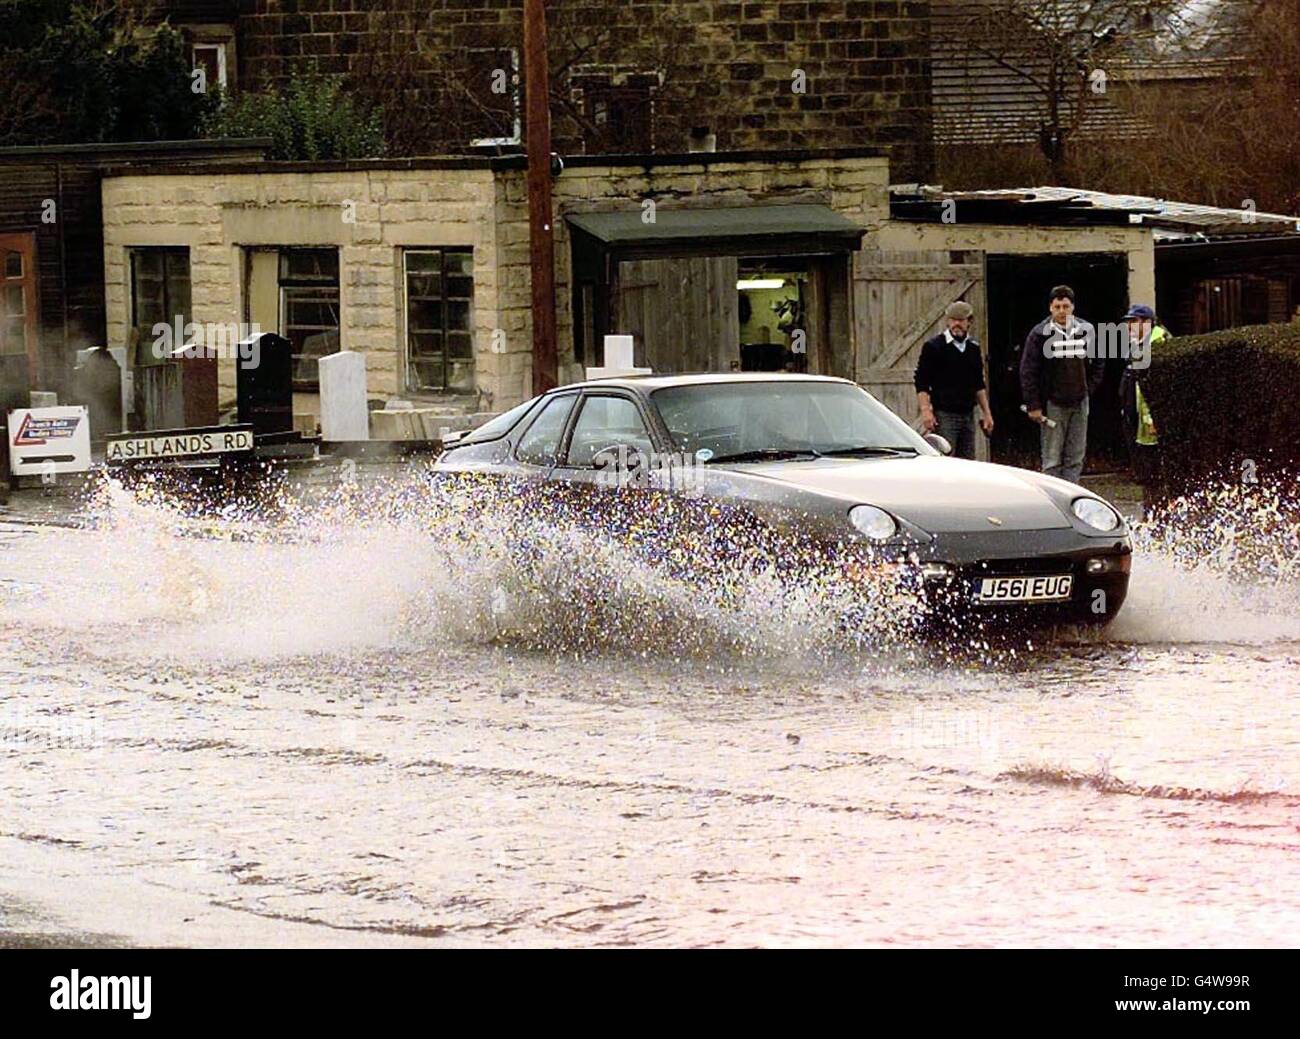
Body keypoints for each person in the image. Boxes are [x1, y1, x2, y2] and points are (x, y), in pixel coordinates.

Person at [1019, 284, 1104, 484]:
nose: (1062, 311)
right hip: (1053, 404)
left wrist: (1087, 389)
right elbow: (1028, 370)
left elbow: (1098, 362)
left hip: (1080, 403)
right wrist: (1033, 404)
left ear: (1073, 307)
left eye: (1065, 306)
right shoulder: (1039, 334)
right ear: (1050, 308)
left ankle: (1071, 498)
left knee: (1075, 457)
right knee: (1052, 459)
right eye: (1057, 307)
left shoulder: (1086, 331)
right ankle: (1053, 501)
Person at [914, 300, 993, 460]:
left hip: (968, 414)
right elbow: (922, 381)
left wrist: (987, 413)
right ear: (947, 321)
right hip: (944, 414)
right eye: (953, 320)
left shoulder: (973, 348)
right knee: (946, 459)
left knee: (968, 461)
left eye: (961, 320)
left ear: (969, 322)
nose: (956, 324)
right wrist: (926, 411)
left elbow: (979, 383)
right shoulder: (934, 347)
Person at [1117, 303, 1169, 516]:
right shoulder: (1137, 344)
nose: (1129, 325)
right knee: (1145, 470)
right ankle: (1151, 510)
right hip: (1136, 417)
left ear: (1147, 323)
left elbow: (1156, 386)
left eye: (1134, 321)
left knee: (1155, 470)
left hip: (1148, 419)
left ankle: (1158, 514)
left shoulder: (1158, 344)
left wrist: (1151, 416)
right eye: (1128, 321)